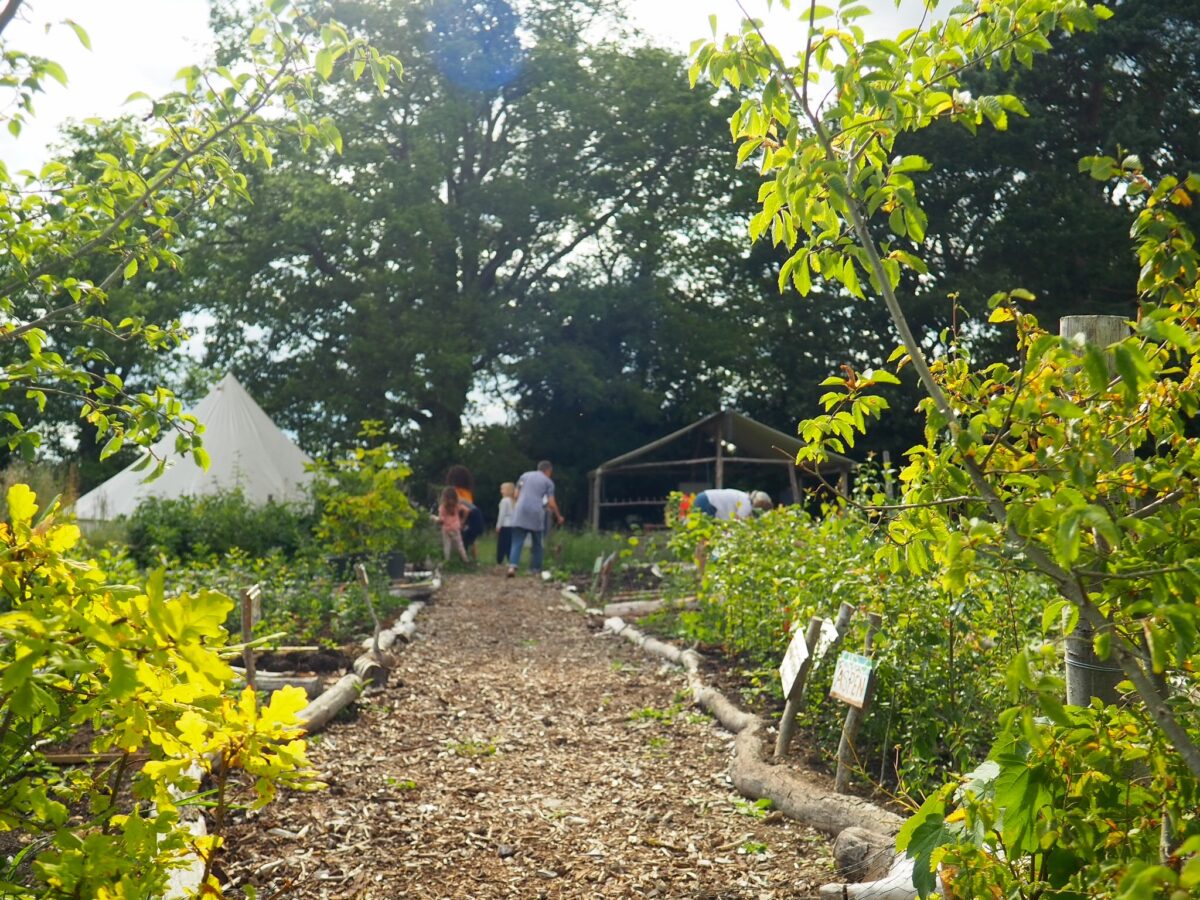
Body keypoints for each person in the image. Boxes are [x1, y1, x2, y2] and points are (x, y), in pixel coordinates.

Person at [507, 460, 564, 577]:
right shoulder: (548, 482)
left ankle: (512, 566)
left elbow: (516, 494)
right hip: (536, 513)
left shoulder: (525, 475)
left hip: (520, 511)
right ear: (548, 471)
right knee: (537, 542)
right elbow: (551, 503)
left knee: (517, 541)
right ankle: (535, 569)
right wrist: (558, 516)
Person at [445, 464, 485, 560]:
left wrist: (461, 522)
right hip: (476, 517)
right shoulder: (467, 493)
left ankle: (462, 560)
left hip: (470, 517)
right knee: (469, 540)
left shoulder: (454, 492)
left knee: (462, 540)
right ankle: (472, 559)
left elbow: (461, 510)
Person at [436, 486, 470, 563]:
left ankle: (447, 561)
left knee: (447, 546)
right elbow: (467, 510)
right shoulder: (457, 506)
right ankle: (465, 560)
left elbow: (441, 519)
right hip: (456, 528)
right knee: (460, 545)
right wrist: (462, 521)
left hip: (446, 529)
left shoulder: (443, 507)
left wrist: (435, 519)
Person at [691, 488, 772, 520]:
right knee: (704, 537)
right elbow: (738, 521)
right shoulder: (747, 504)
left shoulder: (743, 496)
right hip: (707, 502)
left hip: (704, 497)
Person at [495, 481, 516, 566]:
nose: (501, 491)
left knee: (502, 544)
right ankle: (510, 559)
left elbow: (502, 514)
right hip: (512, 525)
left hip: (505, 525)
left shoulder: (504, 501)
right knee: (509, 544)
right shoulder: (513, 501)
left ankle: (499, 560)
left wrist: (498, 525)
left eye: (502, 489)